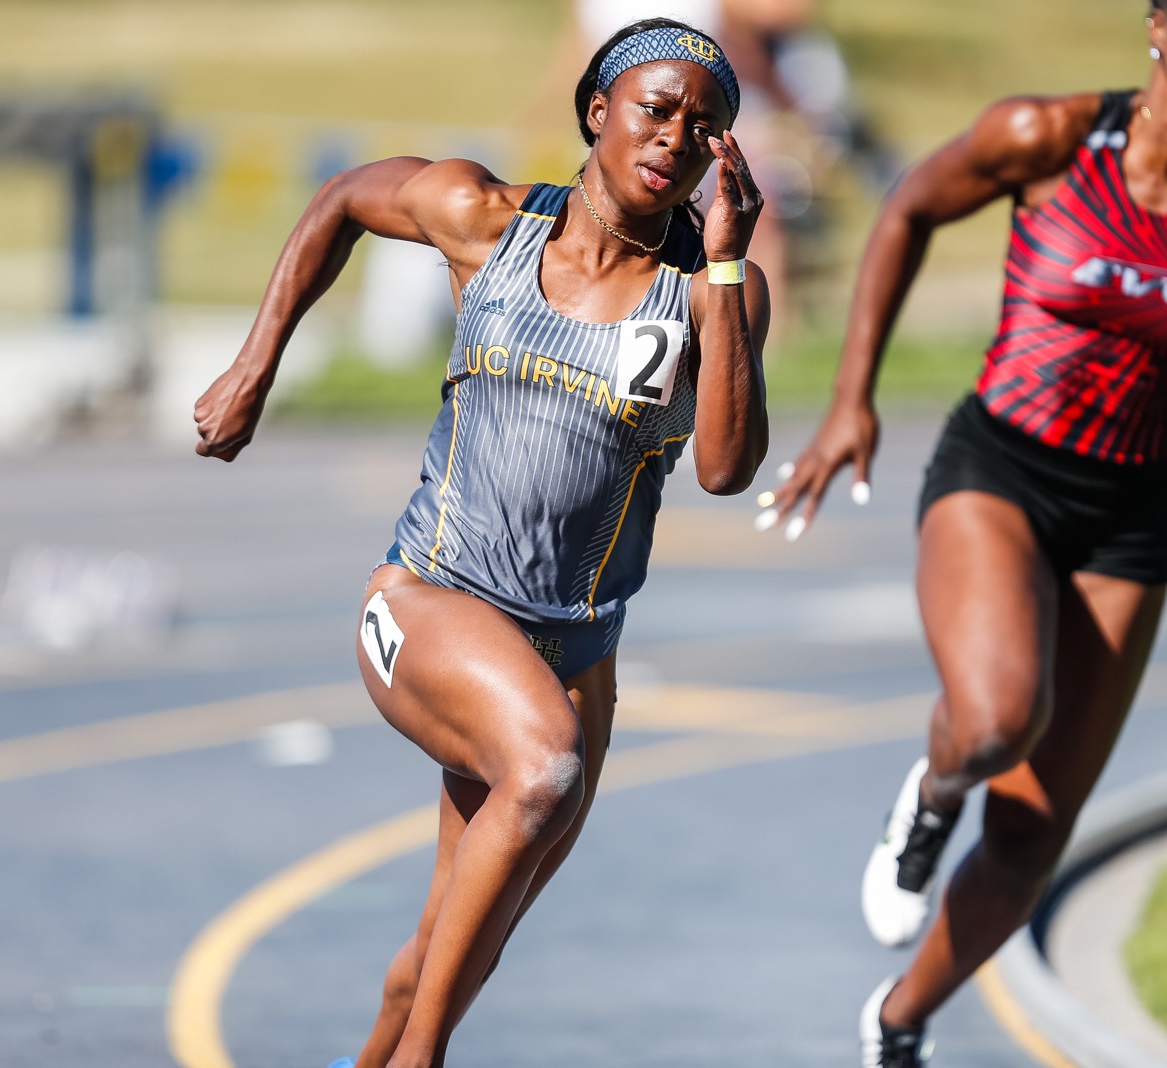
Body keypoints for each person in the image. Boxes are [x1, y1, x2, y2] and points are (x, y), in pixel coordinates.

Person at [758, 1, 1167, 1063]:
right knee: (993, 721)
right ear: (1158, 23)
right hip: (1003, 469)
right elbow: (907, 212)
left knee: (1031, 838)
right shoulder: (1049, 138)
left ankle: (898, 1024)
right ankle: (930, 799)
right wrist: (852, 399)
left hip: (1134, 518)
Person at [196, 18, 768, 1066]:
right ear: (598, 109)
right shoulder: (484, 218)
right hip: (428, 603)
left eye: (706, 126)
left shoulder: (706, 294)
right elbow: (339, 203)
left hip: (574, 656)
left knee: (441, 957)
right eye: (657, 108)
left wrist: (727, 268)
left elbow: (727, 468)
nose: (677, 137)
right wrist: (255, 366)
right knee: (540, 771)